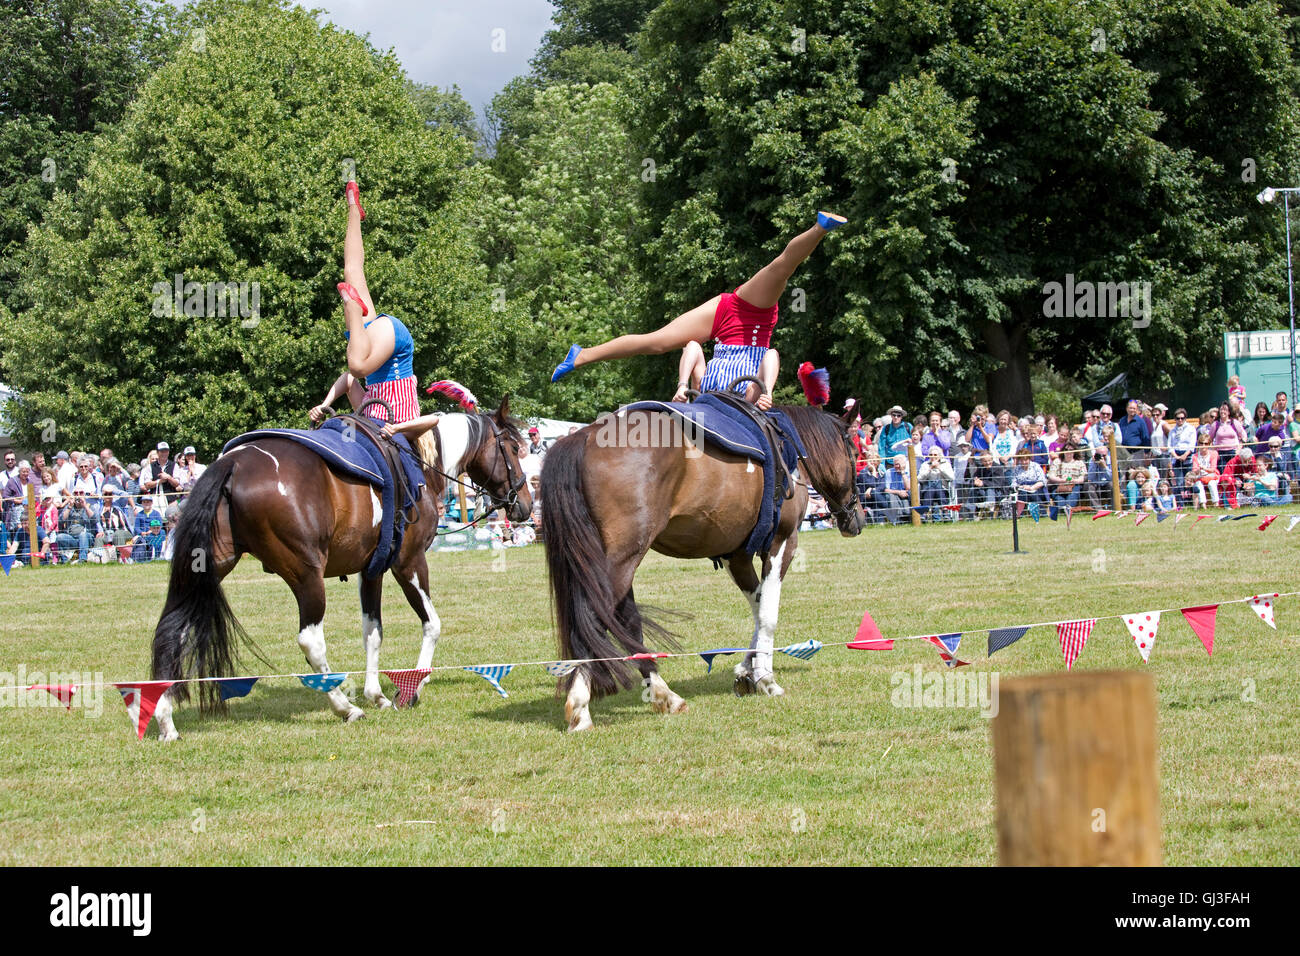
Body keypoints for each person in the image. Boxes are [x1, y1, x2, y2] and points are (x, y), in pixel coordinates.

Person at [549, 211, 848, 409]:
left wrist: (685, 386)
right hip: (748, 311)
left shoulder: (709, 386)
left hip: (724, 330)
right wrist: (766, 393)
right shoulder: (750, 385)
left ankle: (581, 354)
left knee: (655, 343)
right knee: (782, 268)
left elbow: (694, 353)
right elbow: (771, 355)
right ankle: (821, 227)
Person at [311, 178, 421, 426]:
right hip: (390, 342)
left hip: (371, 340)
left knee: (352, 270)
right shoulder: (395, 426)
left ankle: (353, 208)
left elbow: (349, 381)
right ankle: (352, 306)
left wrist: (325, 404)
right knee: (358, 367)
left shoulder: (367, 407)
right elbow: (430, 422)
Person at [1047, 445, 1085, 519]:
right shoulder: (1057, 461)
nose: (1068, 452)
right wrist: (1061, 480)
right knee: (1061, 504)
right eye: (1066, 449)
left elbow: (1082, 478)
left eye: (1071, 450)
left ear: (1074, 451)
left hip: (1074, 486)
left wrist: (1074, 480)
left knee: (1070, 503)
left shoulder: (1079, 462)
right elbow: (1051, 476)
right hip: (1058, 486)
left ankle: (1068, 512)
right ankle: (1063, 511)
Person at [917, 446, 954, 521]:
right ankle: (925, 514)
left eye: (935, 455)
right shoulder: (925, 465)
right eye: (931, 455)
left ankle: (945, 513)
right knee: (931, 490)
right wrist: (929, 469)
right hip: (928, 488)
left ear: (939, 456)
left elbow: (951, 477)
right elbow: (919, 479)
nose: (933, 457)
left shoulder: (945, 464)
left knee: (938, 489)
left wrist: (940, 468)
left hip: (943, 488)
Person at [141, 441, 183, 506]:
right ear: (158, 452)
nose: (164, 453)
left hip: (171, 501)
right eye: (162, 451)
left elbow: (176, 484)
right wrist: (160, 481)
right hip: (155, 501)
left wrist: (168, 477)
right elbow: (147, 485)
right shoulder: (150, 466)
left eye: (166, 451)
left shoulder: (174, 465)